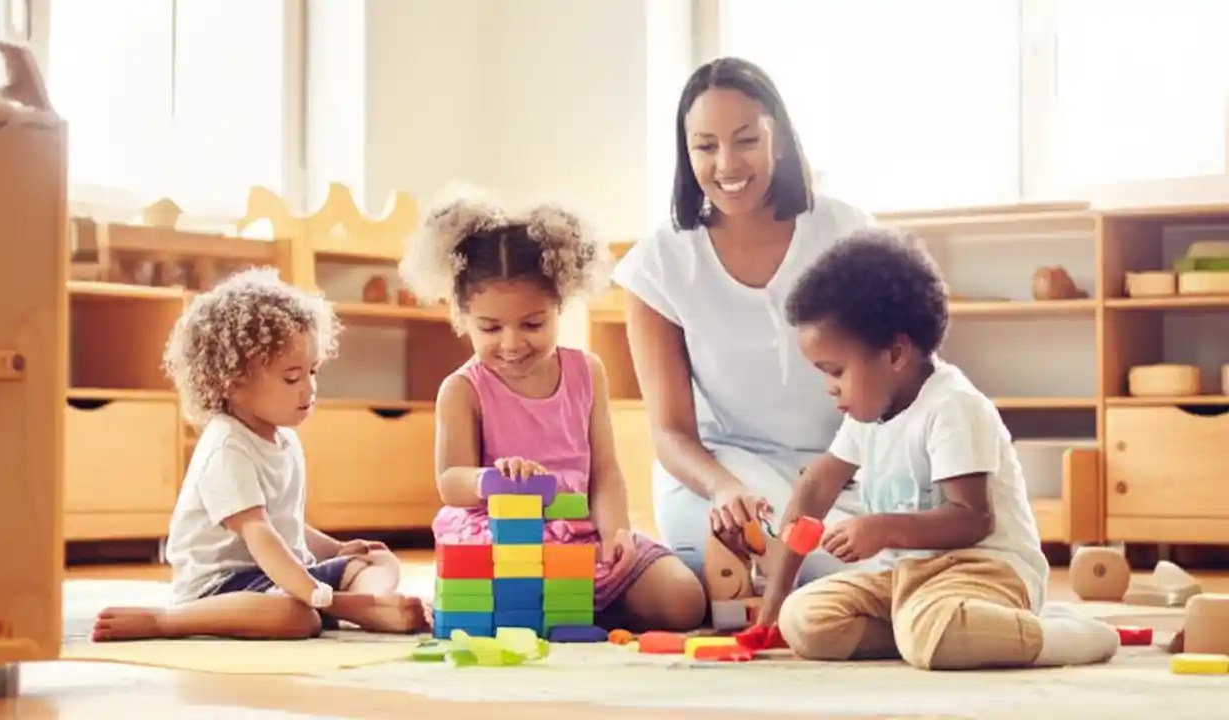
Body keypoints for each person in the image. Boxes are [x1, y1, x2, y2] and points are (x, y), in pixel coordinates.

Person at [754, 228, 1119, 670]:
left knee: (939, 630)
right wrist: (774, 605)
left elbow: (972, 518)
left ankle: (1065, 636)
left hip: (985, 569)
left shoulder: (952, 406)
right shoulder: (866, 414)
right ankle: (929, 633)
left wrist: (882, 528)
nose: (830, 388)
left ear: (895, 353)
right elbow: (815, 489)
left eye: (836, 371)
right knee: (806, 620)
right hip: (908, 581)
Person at [611, 56, 883, 582]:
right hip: (722, 473)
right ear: (686, 153)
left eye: (746, 140)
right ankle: (838, 589)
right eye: (706, 146)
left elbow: (897, 384)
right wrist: (723, 487)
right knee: (799, 553)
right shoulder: (658, 265)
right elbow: (670, 432)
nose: (727, 165)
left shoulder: (847, 233)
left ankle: (845, 587)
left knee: (899, 549)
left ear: (776, 139)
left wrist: (846, 472)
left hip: (846, 470)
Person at [399, 189, 707, 631]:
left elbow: (604, 471)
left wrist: (616, 532)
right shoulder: (463, 390)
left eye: (532, 324)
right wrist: (494, 480)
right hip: (509, 542)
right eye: (489, 327)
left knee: (684, 602)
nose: (511, 343)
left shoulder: (587, 372)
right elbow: (451, 483)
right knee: (519, 600)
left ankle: (582, 607)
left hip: (581, 533)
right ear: (461, 315)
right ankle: (565, 610)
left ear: (559, 305)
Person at [92, 268, 428, 641]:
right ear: (233, 381)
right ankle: (169, 620)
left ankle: (349, 605)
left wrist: (335, 550)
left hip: (277, 572)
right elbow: (259, 534)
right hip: (222, 588)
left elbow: (284, 524)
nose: (309, 389)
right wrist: (312, 591)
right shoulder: (227, 447)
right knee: (296, 617)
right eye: (291, 378)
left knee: (378, 560)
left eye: (312, 371)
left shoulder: (283, 437)